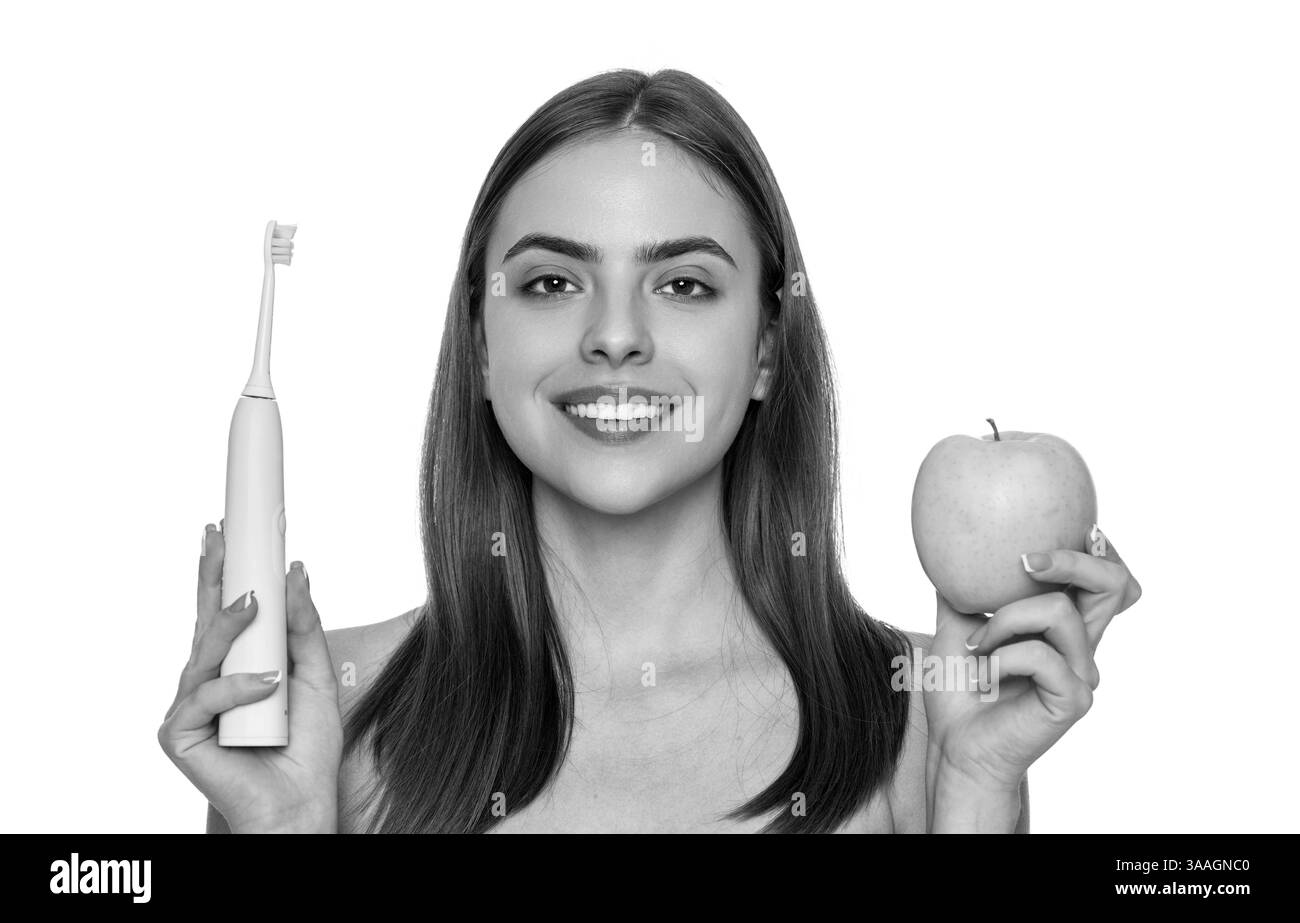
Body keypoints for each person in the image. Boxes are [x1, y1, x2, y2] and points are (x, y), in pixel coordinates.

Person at [159, 68, 1142, 834]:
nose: (615, 335)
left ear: (765, 345)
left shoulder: (932, 720)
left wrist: (976, 785)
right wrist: (280, 824)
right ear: (481, 344)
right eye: (549, 283)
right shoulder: (327, 714)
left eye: (682, 284)